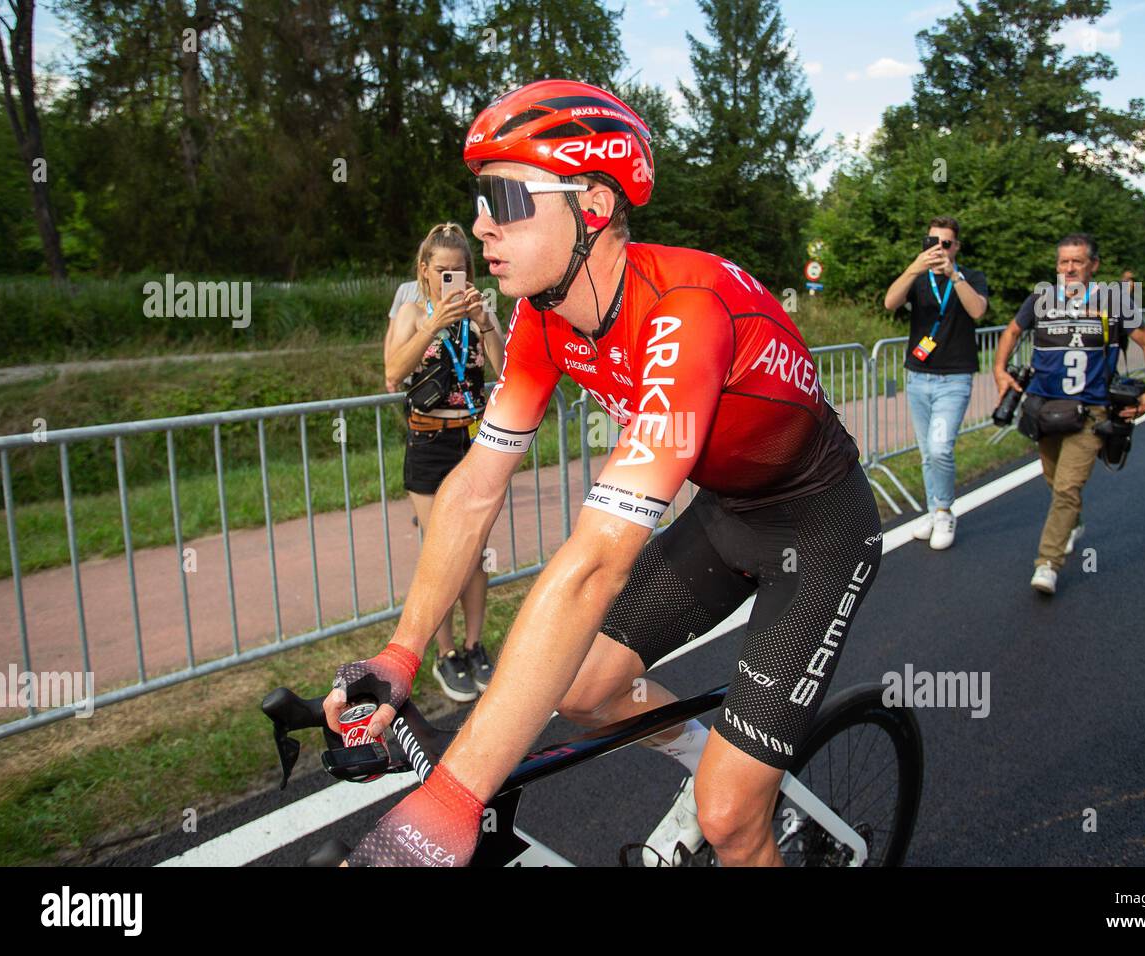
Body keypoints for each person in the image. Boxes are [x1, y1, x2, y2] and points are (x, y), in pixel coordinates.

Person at [325, 79, 884, 868]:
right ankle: (717, 771)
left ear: (589, 204)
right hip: (726, 514)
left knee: (729, 821)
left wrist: (451, 800)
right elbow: (476, 488)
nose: (481, 225)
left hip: (819, 526)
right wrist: (402, 653)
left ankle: (735, 807)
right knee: (585, 692)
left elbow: (593, 567)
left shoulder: (688, 309)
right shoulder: (541, 319)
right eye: (480, 199)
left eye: (504, 198)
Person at [992, 233, 1145, 595]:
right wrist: (999, 370)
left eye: (1077, 261)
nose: (1069, 268)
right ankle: (1072, 523)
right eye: (1063, 262)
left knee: (1068, 488)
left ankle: (1047, 564)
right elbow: (1011, 331)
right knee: (1055, 482)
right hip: (1043, 408)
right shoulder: (1041, 298)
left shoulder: (1115, 300)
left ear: (1094, 265)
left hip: (1090, 413)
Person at [383, 223, 506, 701]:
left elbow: (504, 369)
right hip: (430, 443)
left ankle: (475, 647)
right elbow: (393, 372)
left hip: (472, 441)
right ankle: (444, 654)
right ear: (424, 271)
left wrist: (484, 322)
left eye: (459, 271)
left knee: (474, 552)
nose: (450, 279)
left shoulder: (478, 312)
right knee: (440, 555)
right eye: (442, 271)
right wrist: (433, 325)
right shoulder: (413, 312)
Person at [883, 216, 988, 549]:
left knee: (941, 448)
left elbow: (978, 311)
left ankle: (944, 511)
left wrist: (954, 275)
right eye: (932, 242)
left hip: (954, 379)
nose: (938, 249)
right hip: (918, 377)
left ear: (955, 246)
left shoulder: (970, 277)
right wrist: (914, 268)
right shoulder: (918, 276)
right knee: (928, 452)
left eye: (945, 243)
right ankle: (933, 510)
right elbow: (890, 302)